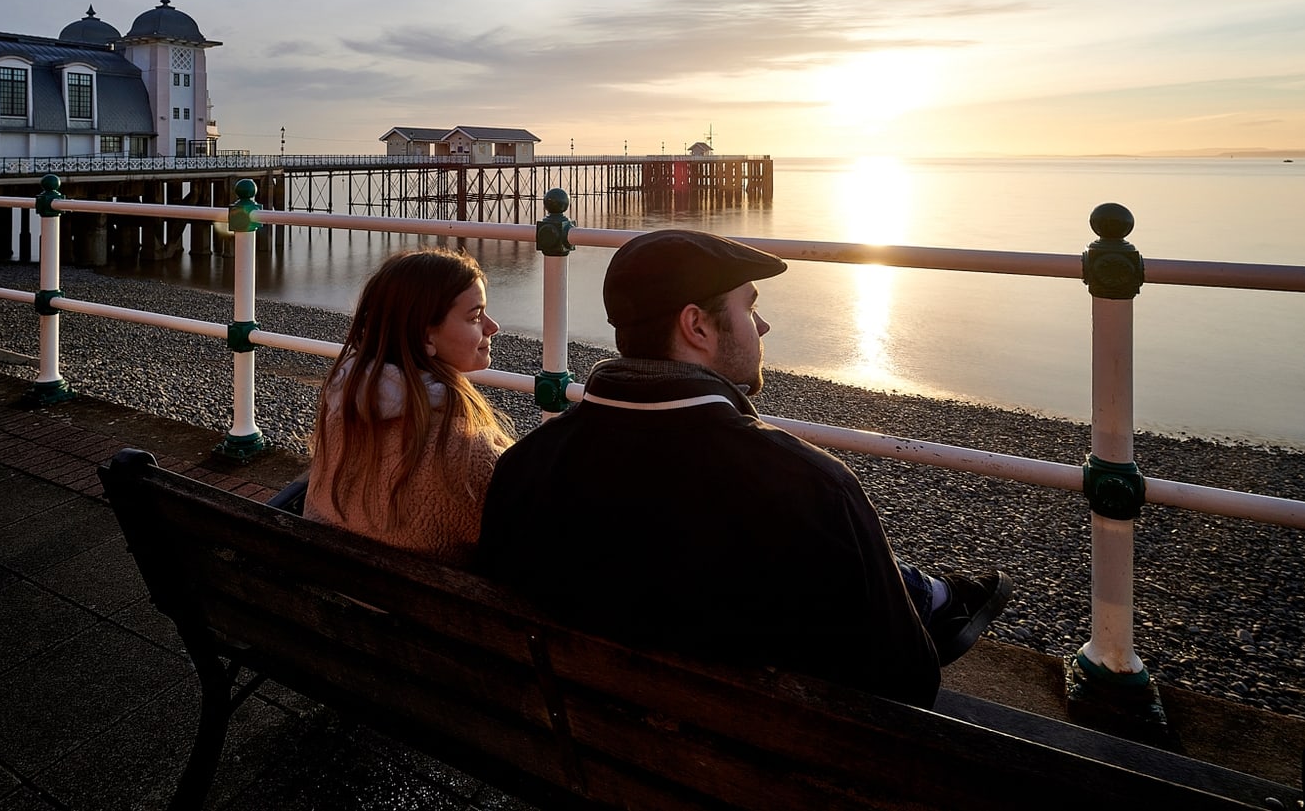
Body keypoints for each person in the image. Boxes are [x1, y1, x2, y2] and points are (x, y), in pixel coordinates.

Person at [476, 229, 1010, 707]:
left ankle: (931, 595)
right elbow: (908, 684)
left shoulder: (526, 465)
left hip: (578, 746)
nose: (764, 324)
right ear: (696, 327)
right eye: (748, 307)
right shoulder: (811, 487)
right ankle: (935, 599)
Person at [302, 248, 515, 565]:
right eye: (474, 316)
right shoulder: (466, 452)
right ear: (425, 336)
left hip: (321, 599)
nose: (492, 326)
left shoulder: (340, 416)